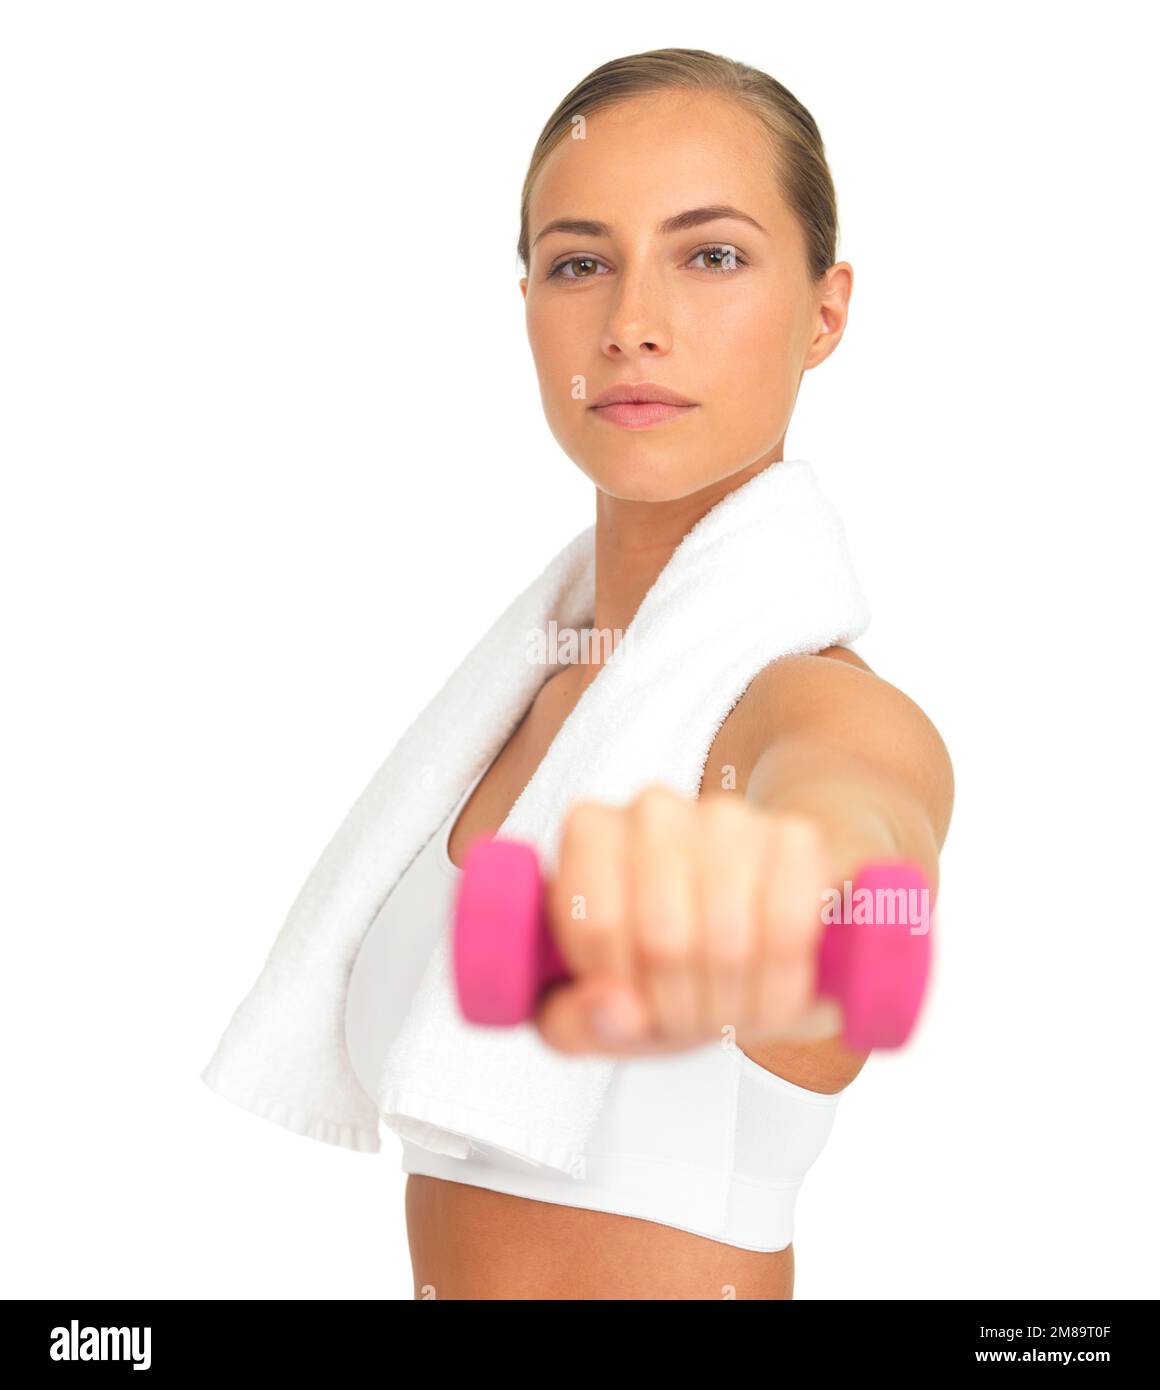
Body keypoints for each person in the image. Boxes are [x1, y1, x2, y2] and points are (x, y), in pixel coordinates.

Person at [359, 46, 954, 1300]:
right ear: (525, 301)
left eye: (712, 255)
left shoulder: (814, 711)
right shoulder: (530, 702)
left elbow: (865, 839)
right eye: (579, 262)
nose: (631, 321)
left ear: (825, 310)